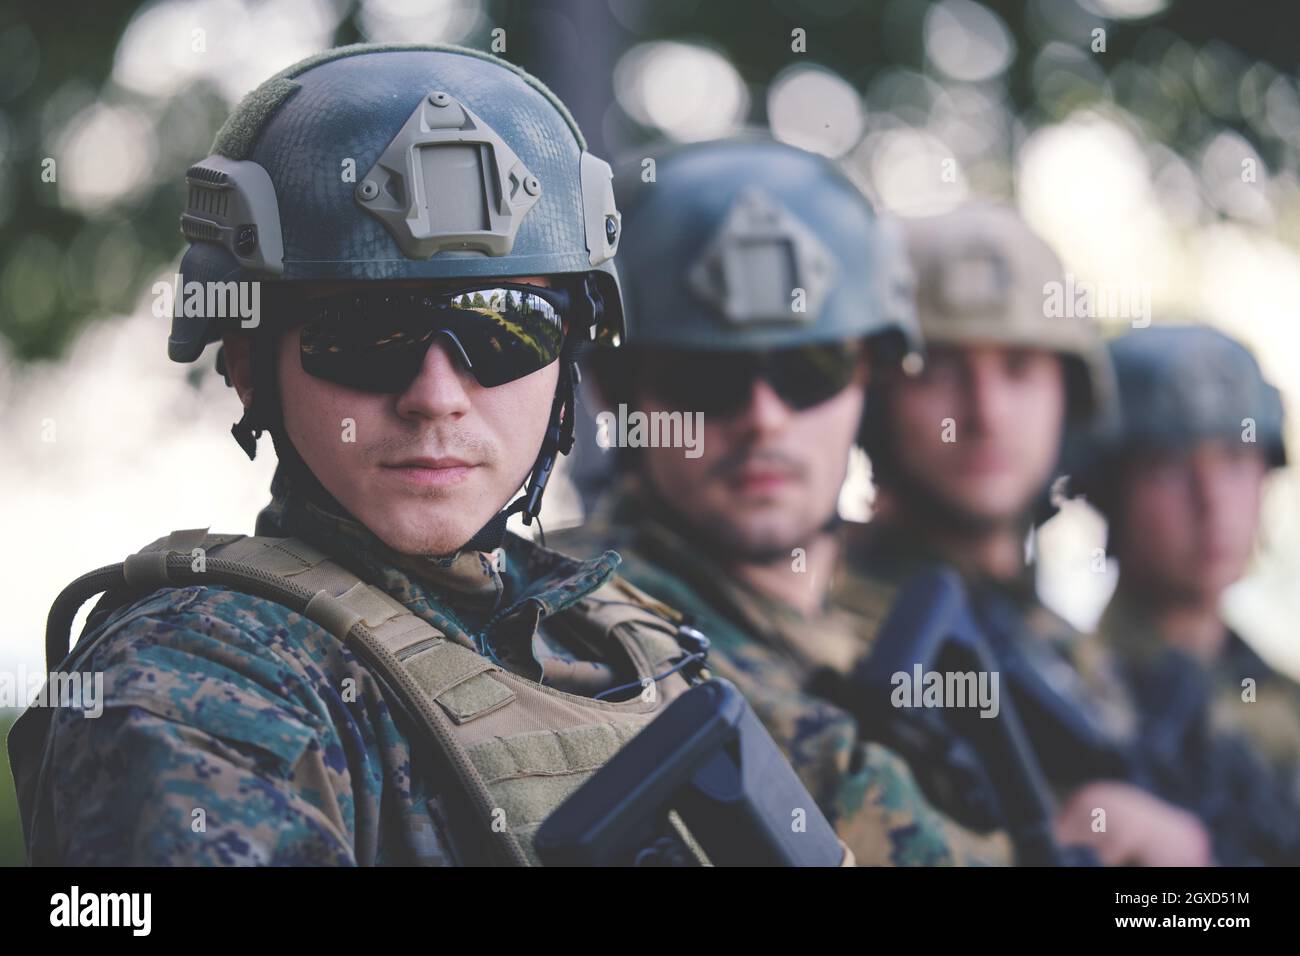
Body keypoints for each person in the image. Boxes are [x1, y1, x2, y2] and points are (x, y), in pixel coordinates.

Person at [7, 44, 778, 866]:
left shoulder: (628, 638)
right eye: (364, 333)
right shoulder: (199, 678)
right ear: (244, 364)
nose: (436, 394)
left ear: (568, 360)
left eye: (505, 324)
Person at [553, 139, 1013, 865]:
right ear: (620, 389)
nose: (764, 417)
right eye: (707, 374)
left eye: (809, 368)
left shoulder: (891, 616)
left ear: (872, 374)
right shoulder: (565, 623)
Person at [847, 203, 1213, 866]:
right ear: (874, 401)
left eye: (1018, 368)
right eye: (937, 368)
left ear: (1067, 399)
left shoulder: (1062, 645)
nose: (984, 412)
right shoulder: (823, 621)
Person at [1069, 324, 1300, 864]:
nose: (1211, 501)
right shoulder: (1062, 690)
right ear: (1110, 490)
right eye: (1170, 468)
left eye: (1236, 462)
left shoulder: (1283, 707)